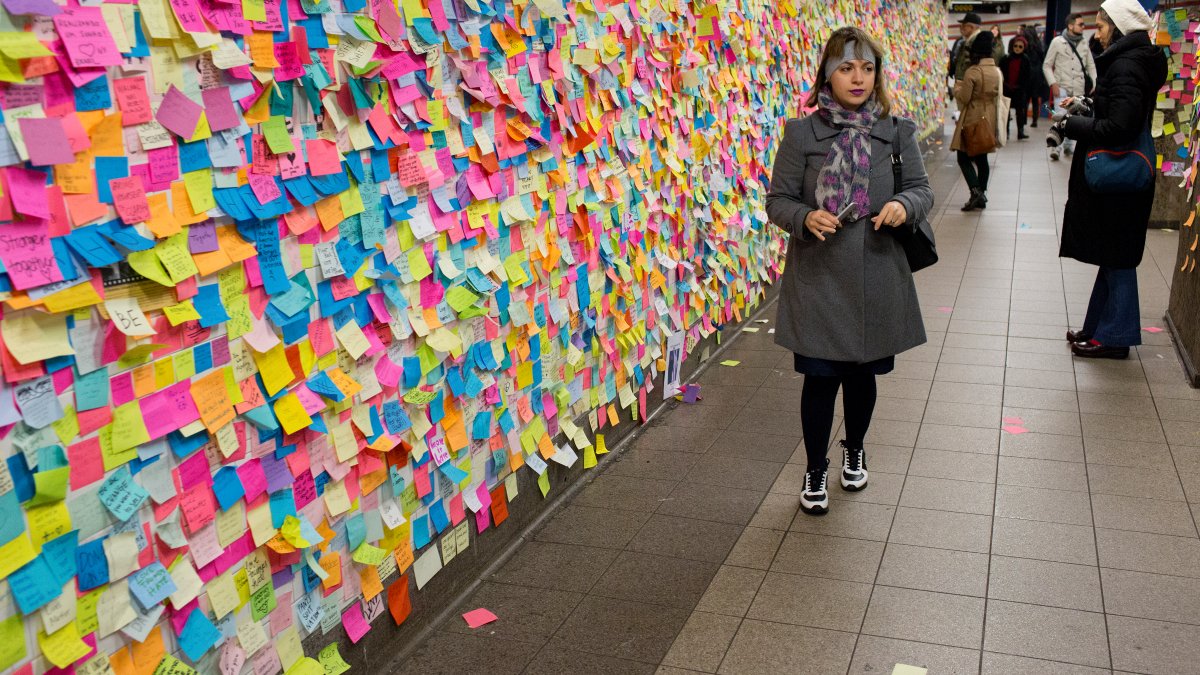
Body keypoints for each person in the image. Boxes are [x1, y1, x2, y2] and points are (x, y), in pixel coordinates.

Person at [765, 27, 934, 515]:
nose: (858, 78)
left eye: (867, 68)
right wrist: (804, 217)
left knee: (863, 378)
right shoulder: (802, 134)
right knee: (820, 380)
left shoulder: (896, 132)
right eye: (846, 68)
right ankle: (815, 468)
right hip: (819, 277)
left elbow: (921, 189)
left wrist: (904, 204)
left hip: (878, 274)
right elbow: (778, 200)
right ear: (827, 75)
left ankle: (854, 448)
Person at [1051, 0, 1167, 359]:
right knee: (1112, 252)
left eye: (1101, 26)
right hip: (1125, 176)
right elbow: (1119, 110)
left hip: (1120, 177)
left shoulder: (1126, 66)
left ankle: (1115, 338)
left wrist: (1073, 125)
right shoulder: (1133, 61)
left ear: (1117, 28)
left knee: (1118, 257)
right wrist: (1087, 105)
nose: (1096, 33)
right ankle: (1098, 327)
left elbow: (1120, 126)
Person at [952, 31, 1001, 211]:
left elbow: (964, 98)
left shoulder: (973, 71)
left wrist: (957, 88)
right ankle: (981, 194)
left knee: (963, 156)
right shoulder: (996, 71)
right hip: (989, 117)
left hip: (973, 117)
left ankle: (976, 192)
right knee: (982, 157)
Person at [1043, 13, 1098, 160]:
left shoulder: (1084, 43)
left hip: (1078, 89)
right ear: (1070, 26)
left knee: (1073, 118)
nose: (1083, 27)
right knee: (1060, 117)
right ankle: (1055, 148)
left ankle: (1068, 146)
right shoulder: (1057, 42)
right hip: (1062, 86)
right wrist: (1053, 83)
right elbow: (1047, 65)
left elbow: (1091, 65)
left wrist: (1095, 83)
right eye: (1080, 24)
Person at [953, 12, 1006, 82]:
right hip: (965, 82)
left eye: (963, 25)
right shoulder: (968, 41)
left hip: (969, 83)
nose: (961, 28)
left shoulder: (978, 42)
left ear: (971, 27)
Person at [1000, 35, 1034, 140]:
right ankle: (1006, 132)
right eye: (1015, 46)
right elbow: (1000, 72)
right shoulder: (1006, 58)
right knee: (1006, 112)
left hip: (1019, 90)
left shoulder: (1026, 59)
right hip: (1007, 89)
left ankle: (1020, 132)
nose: (1017, 48)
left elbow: (1028, 75)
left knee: (1020, 112)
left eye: (1020, 46)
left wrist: (1023, 87)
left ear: (1024, 48)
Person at [1024, 24, 1048, 128]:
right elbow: (1043, 59)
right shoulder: (1039, 44)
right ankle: (1034, 120)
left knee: (1025, 99)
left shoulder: (1024, 44)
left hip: (1027, 74)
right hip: (1037, 75)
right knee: (1035, 99)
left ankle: (1023, 120)